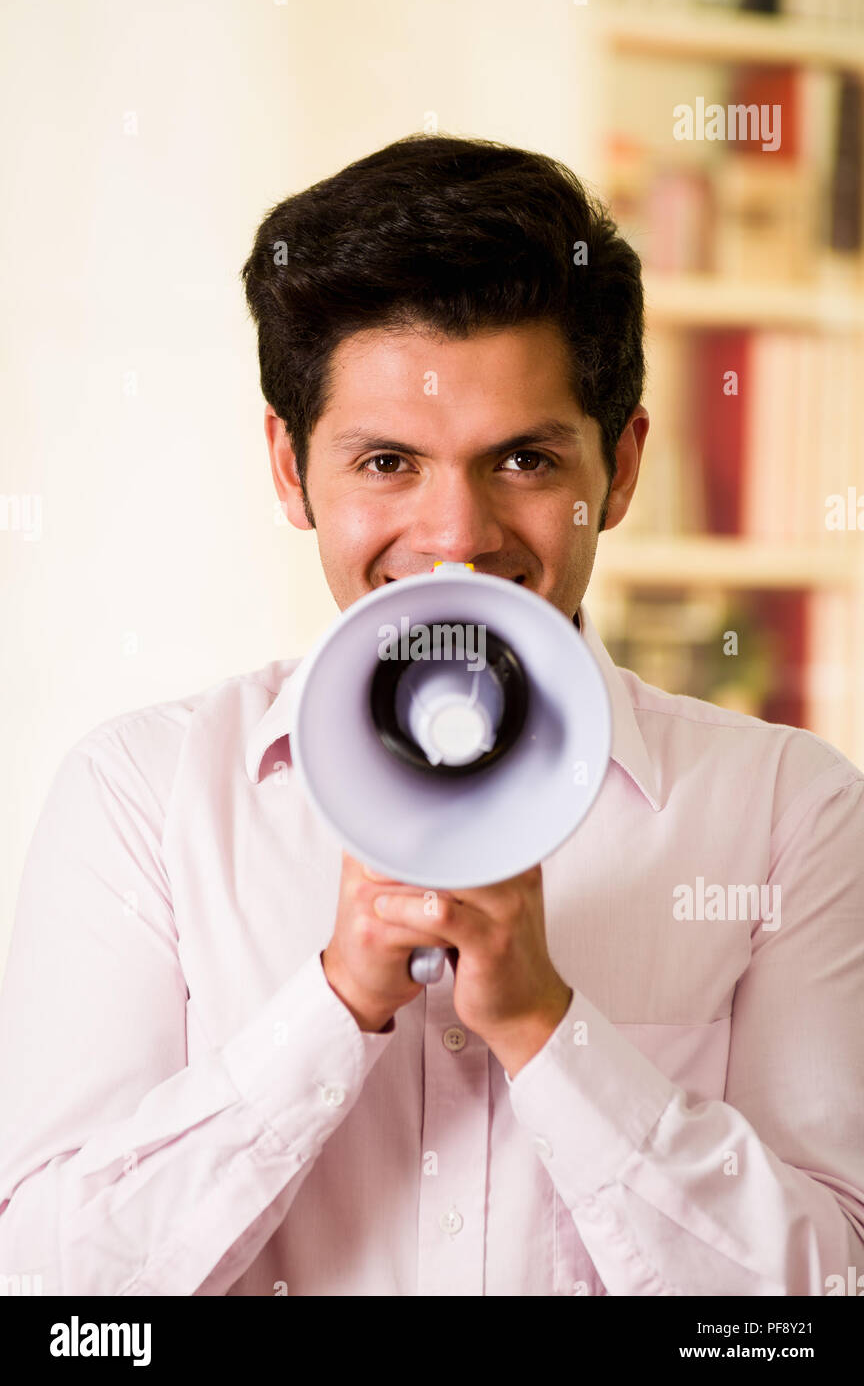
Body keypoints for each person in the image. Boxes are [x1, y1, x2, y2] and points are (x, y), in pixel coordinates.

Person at [1, 133, 862, 1297]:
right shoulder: (143, 799)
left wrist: (551, 1033)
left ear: (620, 466)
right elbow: (50, 1293)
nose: (456, 538)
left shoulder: (789, 815)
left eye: (522, 459)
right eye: (389, 461)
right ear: (290, 468)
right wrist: (336, 1002)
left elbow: (824, 1302)